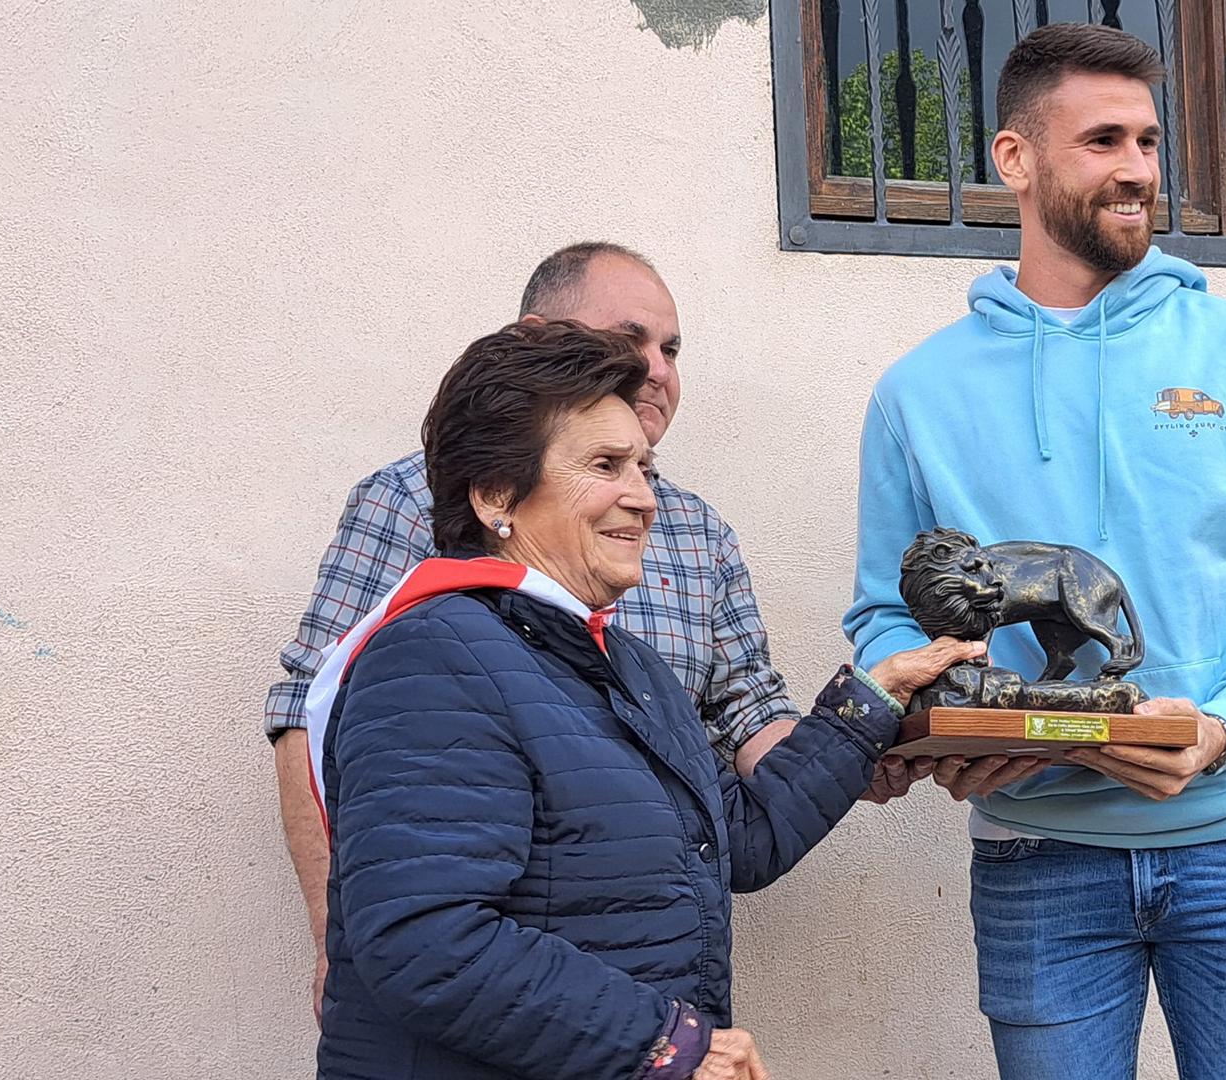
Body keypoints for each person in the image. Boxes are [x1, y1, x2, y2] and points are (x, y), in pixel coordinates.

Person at [844, 24, 1226, 1080]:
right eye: (1103, 141)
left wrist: (1221, 729)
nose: (1137, 170)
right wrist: (941, 725)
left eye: (1148, 141)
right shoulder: (918, 392)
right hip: (1039, 857)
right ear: (1016, 160)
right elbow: (887, 616)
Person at [314, 319, 978, 1080]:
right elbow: (426, 940)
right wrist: (661, 1043)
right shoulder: (434, 656)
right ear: (498, 494)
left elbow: (742, 836)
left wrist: (870, 700)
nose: (642, 498)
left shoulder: (627, 666)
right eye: (606, 466)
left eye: (644, 468)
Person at [266, 242, 885, 1017]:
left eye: (671, 350)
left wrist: (868, 732)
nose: (657, 369)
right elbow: (311, 721)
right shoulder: (410, 507)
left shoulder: (694, 538)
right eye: (631, 343)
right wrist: (340, 936)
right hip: (503, 1013)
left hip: (636, 1000)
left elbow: (751, 730)